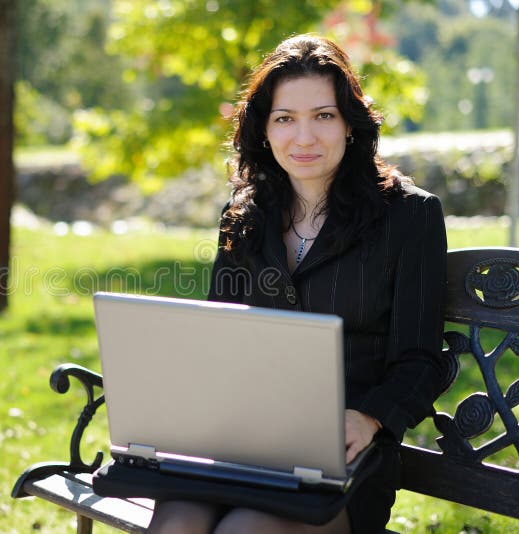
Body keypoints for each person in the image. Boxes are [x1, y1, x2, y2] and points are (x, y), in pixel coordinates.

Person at [147, 34, 447, 533]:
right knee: (177, 522)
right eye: (285, 118)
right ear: (264, 130)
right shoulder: (242, 216)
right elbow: (218, 339)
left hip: (344, 456)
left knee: (243, 531)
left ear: (351, 123)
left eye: (323, 116)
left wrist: (368, 417)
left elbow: (422, 359)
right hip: (242, 441)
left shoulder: (409, 215)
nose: (303, 137)